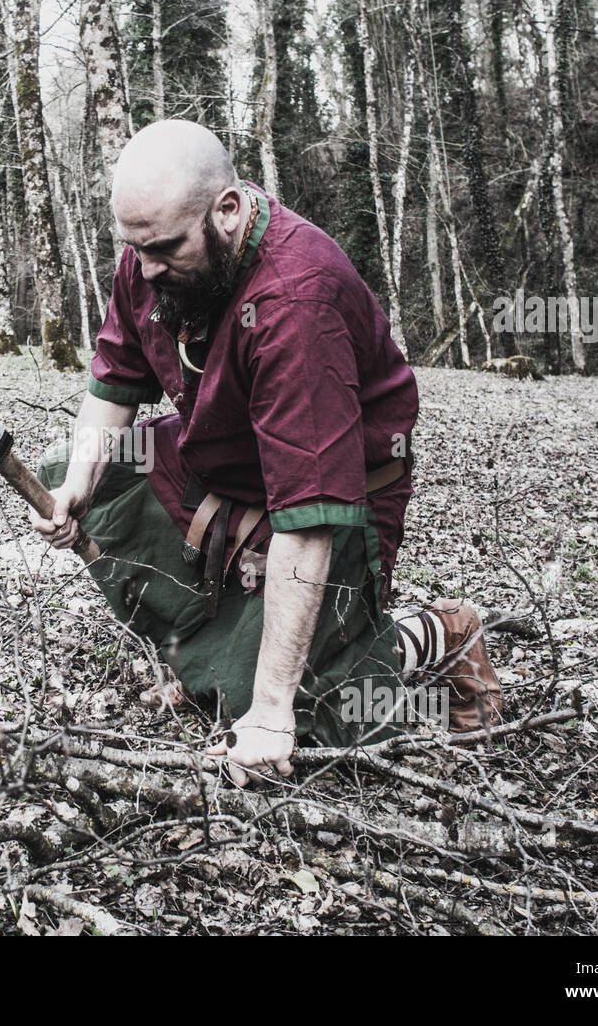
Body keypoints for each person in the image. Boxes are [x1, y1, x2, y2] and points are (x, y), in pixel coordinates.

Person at [30, 119, 500, 788]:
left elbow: (308, 513)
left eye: (163, 248)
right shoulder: (152, 251)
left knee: (314, 721)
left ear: (228, 209)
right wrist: (78, 481)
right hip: (226, 458)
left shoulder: (296, 298)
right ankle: (211, 667)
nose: (147, 267)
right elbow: (115, 382)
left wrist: (273, 711)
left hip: (340, 491)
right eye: (136, 248)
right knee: (93, 477)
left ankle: (440, 632)